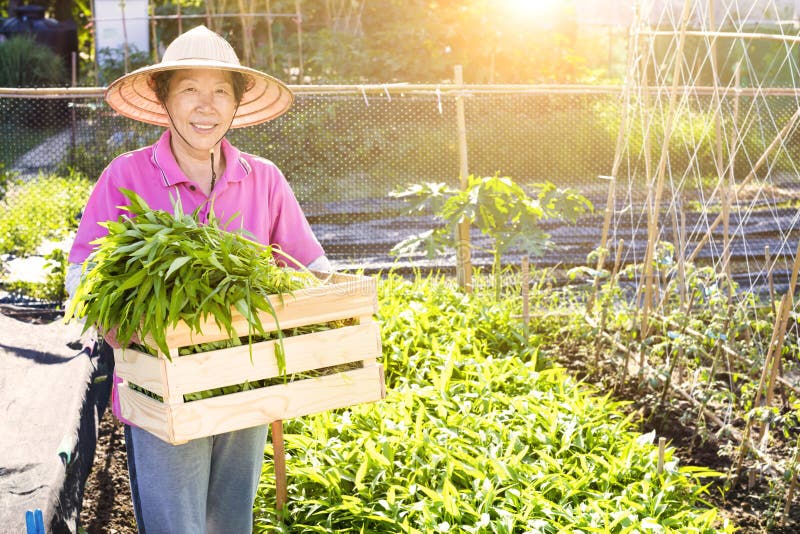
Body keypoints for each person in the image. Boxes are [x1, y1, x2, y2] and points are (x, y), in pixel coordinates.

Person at [65, 25, 330, 534]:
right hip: (162, 388)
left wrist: (341, 298)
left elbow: (311, 267)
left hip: (243, 382)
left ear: (235, 105)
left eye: (220, 92)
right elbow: (82, 276)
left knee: (230, 521)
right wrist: (129, 322)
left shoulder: (264, 178)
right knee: (176, 526)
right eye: (190, 90)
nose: (206, 106)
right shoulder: (126, 176)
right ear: (165, 99)